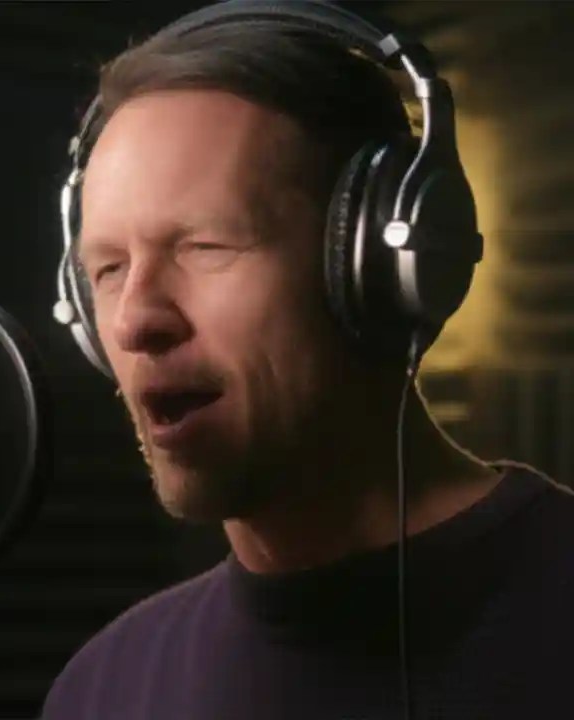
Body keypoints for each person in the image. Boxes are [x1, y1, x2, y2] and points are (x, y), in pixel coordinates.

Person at [41, 3, 574, 720]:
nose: (136, 320)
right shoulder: (103, 690)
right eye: (107, 270)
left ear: (374, 266)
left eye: (205, 247)